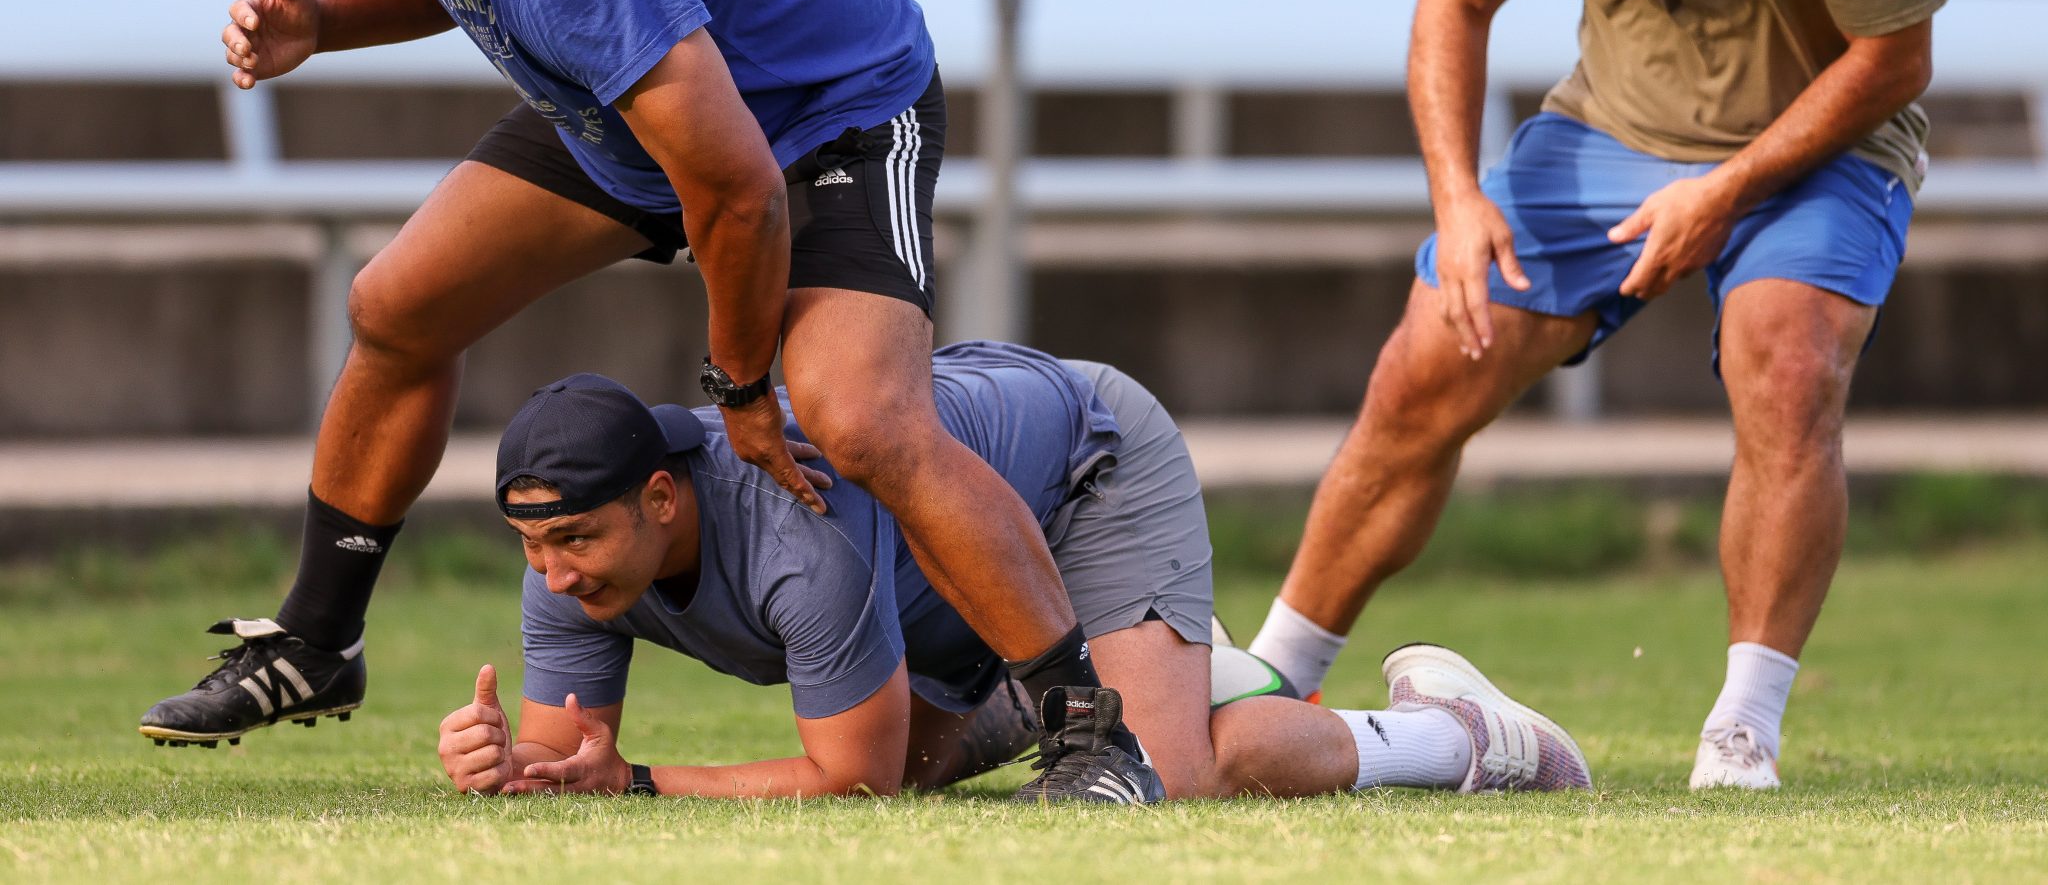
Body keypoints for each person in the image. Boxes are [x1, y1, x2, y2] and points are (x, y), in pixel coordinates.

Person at [140, 0, 1137, 796]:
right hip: (640, 102)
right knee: (396, 306)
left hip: (822, 120)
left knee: (861, 422)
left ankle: (1090, 734)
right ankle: (317, 644)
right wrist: (322, 25)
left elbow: (740, 191)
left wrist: (745, 389)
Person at [1245, 0, 1949, 791]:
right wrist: (1457, 196)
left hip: (1818, 140)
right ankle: (1275, 671)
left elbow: (1892, 59)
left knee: (1784, 367)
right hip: (1609, 131)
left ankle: (1742, 727)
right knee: (1425, 365)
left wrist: (1723, 190)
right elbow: (1451, 3)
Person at [433, 343, 1594, 801]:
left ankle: (1464, 736)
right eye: (530, 547)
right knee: (946, 763)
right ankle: (1122, 675)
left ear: (660, 497)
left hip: (1081, 469)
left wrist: (638, 785)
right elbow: (562, 758)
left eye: (573, 541)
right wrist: (507, 762)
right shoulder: (568, 562)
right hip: (935, 596)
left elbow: (853, 782)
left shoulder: (799, 526)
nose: (551, 573)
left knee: (1169, 776)